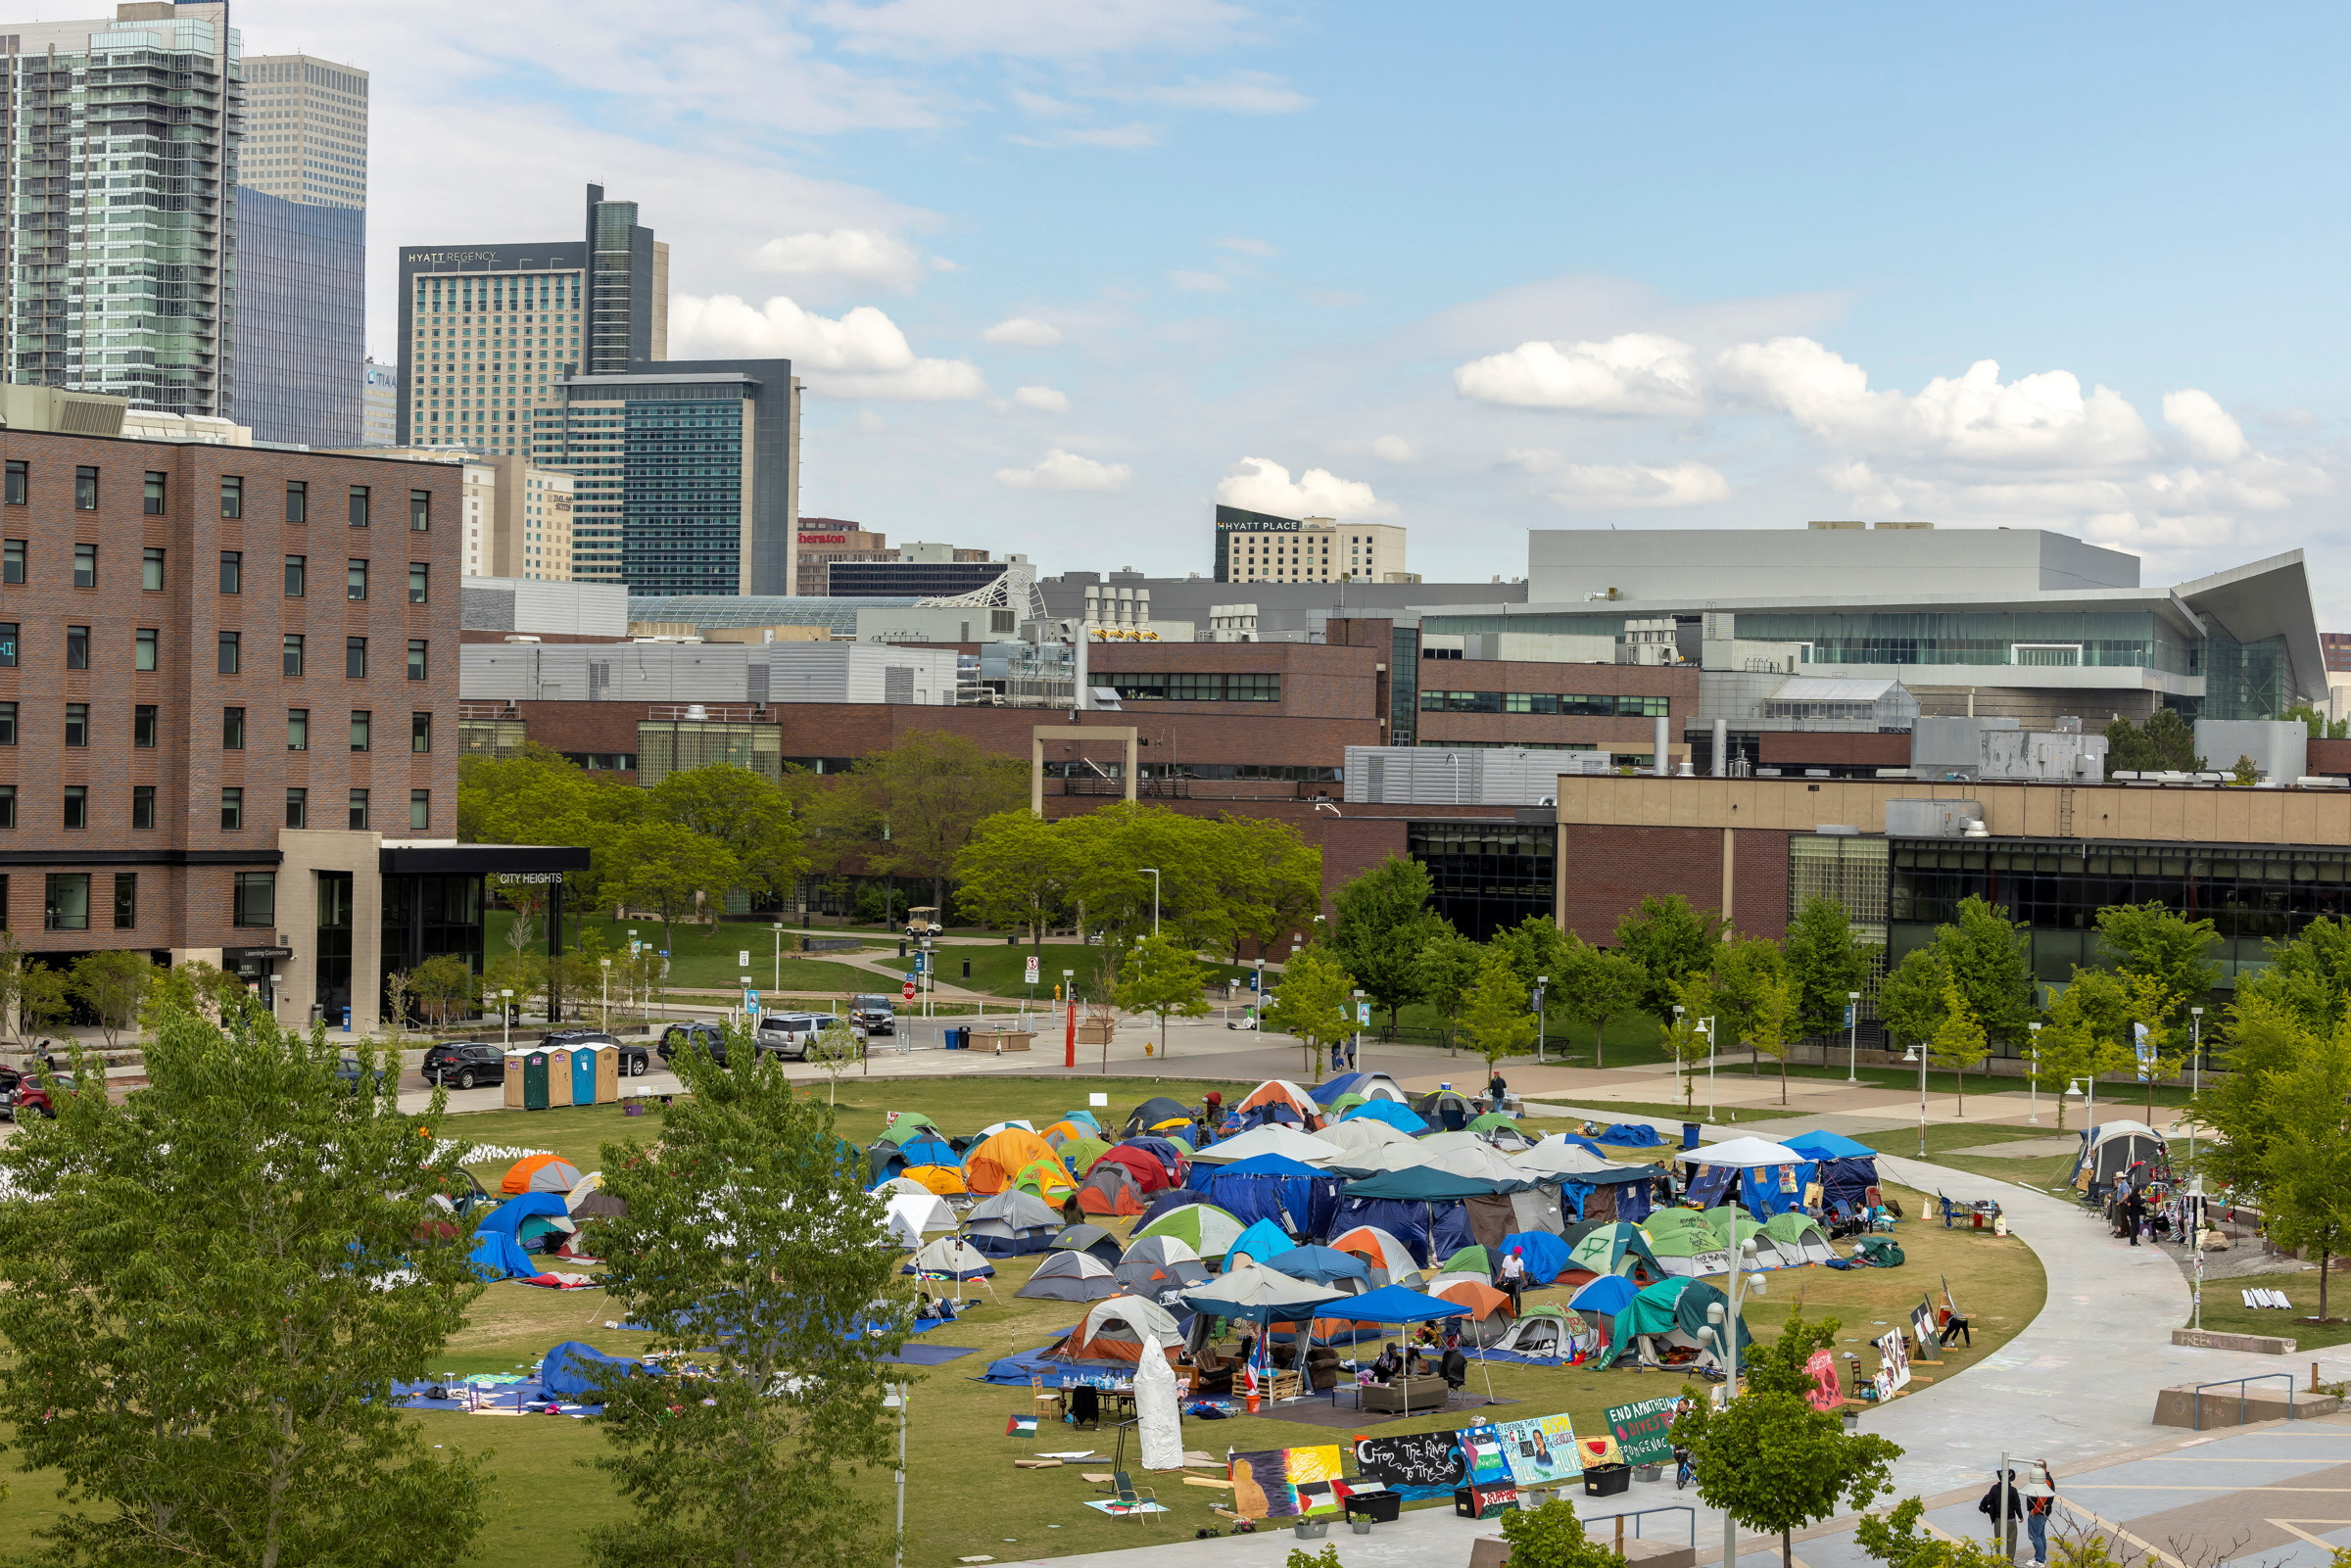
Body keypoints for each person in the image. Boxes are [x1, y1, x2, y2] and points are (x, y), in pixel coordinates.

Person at [2020, 1464, 2056, 1565]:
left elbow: (2042, 1498)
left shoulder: (2045, 1481)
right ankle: (2040, 1557)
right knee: (2040, 1535)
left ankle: (2039, 1560)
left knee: (2035, 1536)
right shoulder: (2046, 1478)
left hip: (2038, 1513)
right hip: (2043, 1512)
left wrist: (2035, 1510)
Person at [1498, 1247, 1527, 1311]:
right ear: (1514, 1252)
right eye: (1516, 1253)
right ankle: (1511, 1311)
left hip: (1516, 1280)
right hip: (1508, 1280)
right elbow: (1503, 1268)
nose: (1517, 1255)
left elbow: (1521, 1271)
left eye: (1518, 1254)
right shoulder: (1507, 1258)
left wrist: (1524, 1281)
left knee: (1517, 1296)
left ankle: (1518, 1312)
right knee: (1509, 1296)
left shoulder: (1520, 1261)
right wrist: (1500, 1277)